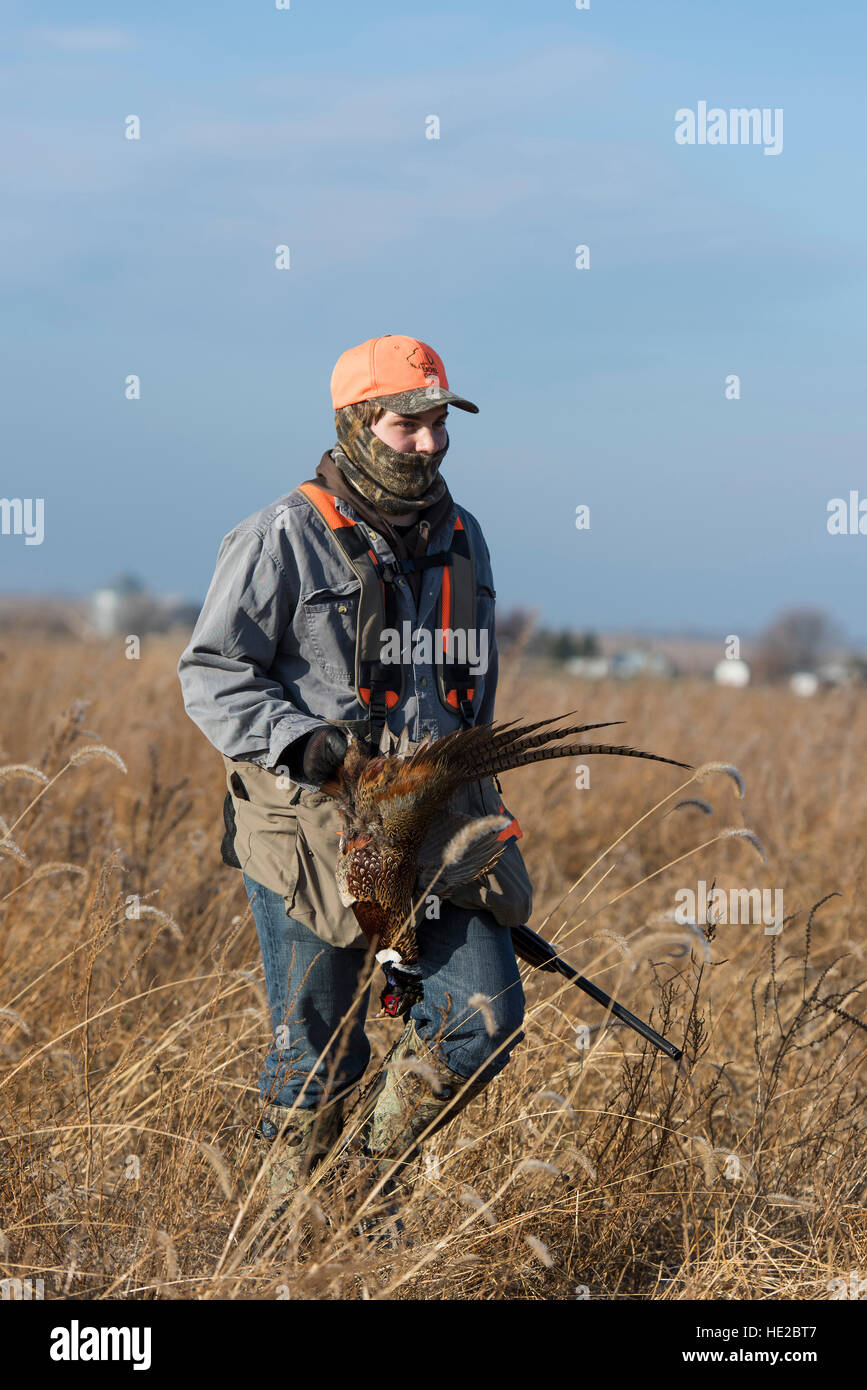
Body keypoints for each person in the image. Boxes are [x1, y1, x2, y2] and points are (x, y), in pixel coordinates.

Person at [177, 334, 533, 1210]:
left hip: (437, 837)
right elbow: (212, 674)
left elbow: (467, 696)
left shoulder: (464, 537)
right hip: (309, 841)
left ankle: (362, 1201)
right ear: (355, 423)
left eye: (438, 421)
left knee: (480, 1020)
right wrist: (310, 746)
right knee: (317, 1059)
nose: (430, 440)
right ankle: (269, 1247)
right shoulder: (280, 536)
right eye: (407, 423)